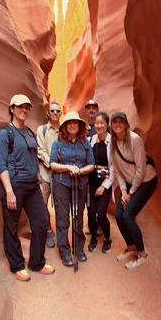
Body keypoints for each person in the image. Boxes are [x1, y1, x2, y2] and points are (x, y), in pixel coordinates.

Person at [0, 94, 55, 281]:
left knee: (41, 222)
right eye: (20, 107)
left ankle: (37, 262)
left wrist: (37, 177)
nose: (24, 110)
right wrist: (9, 191)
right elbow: (2, 165)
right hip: (14, 185)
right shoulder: (6, 134)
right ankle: (17, 265)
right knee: (11, 227)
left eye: (27, 107)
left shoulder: (30, 133)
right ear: (12, 109)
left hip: (32, 186)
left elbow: (33, 158)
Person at [110, 112, 158, 269]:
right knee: (119, 215)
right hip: (130, 183)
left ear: (125, 124)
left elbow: (141, 170)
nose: (117, 124)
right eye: (114, 122)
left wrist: (131, 193)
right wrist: (124, 192)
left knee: (128, 215)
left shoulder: (135, 141)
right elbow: (117, 170)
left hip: (146, 181)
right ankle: (131, 249)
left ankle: (142, 255)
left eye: (120, 122)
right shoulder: (113, 144)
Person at [50, 111, 95, 266]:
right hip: (62, 184)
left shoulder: (85, 143)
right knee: (62, 218)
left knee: (77, 217)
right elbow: (53, 164)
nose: (72, 125)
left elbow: (91, 164)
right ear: (65, 127)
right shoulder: (58, 143)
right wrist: (69, 167)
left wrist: (80, 171)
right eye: (69, 123)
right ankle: (64, 251)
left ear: (80, 125)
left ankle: (78, 249)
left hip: (80, 185)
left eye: (75, 123)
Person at [36, 100, 62, 248]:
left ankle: (61, 234)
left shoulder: (64, 130)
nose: (55, 113)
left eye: (57, 111)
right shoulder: (42, 130)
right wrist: (52, 163)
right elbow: (40, 150)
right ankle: (48, 230)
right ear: (48, 113)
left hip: (60, 175)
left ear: (61, 113)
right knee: (42, 204)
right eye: (52, 111)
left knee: (60, 206)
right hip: (45, 174)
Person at [87, 112, 113, 253]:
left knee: (101, 214)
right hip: (91, 183)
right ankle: (93, 239)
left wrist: (103, 186)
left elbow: (114, 167)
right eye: (97, 123)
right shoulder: (91, 140)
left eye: (102, 123)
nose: (99, 126)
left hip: (105, 183)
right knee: (91, 214)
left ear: (107, 124)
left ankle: (108, 239)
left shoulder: (112, 142)